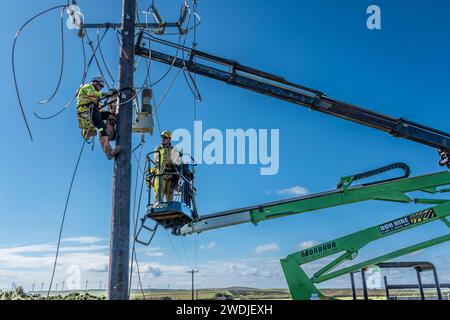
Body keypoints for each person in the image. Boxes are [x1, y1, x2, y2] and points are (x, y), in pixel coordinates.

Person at [77, 77, 121, 160]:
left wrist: (111, 98)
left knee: (111, 115)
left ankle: (110, 132)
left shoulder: (96, 96)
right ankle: (109, 152)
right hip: (87, 110)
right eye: (100, 86)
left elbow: (99, 104)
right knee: (102, 128)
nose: (101, 88)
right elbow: (91, 93)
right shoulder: (87, 87)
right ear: (95, 82)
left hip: (95, 111)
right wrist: (107, 94)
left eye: (102, 87)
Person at [148, 131, 181, 203]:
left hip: (171, 174)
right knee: (159, 191)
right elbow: (157, 158)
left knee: (170, 193)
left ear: (169, 139)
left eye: (165, 138)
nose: (163, 139)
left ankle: (170, 209)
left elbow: (177, 161)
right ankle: (158, 207)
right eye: (162, 138)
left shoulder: (174, 150)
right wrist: (168, 159)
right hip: (160, 174)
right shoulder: (158, 148)